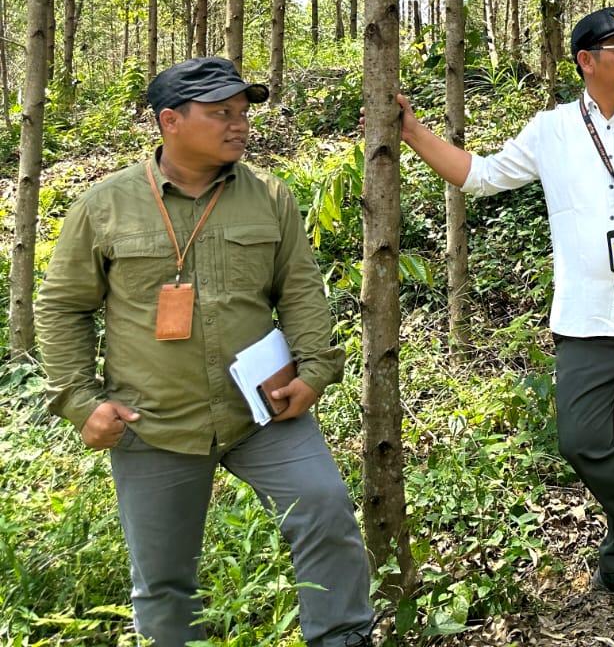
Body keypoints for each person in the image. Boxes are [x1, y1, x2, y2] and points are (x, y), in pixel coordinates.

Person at [35, 57, 374, 647]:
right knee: (163, 580)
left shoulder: (269, 195)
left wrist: (316, 373)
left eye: (242, 112)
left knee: (325, 511)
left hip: (262, 412)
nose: (239, 124)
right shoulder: (104, 205)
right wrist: (78, 400)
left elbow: (298, 290)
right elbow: (62, 306)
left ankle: (343, 638)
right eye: (221, 113)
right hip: (152, 419)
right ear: (170, 120)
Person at [395, 7, 614, 610]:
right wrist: (414, 133)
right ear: (586, 62)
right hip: (588, 319)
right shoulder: (553, 130)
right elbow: (480, 175)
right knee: (584, 437)